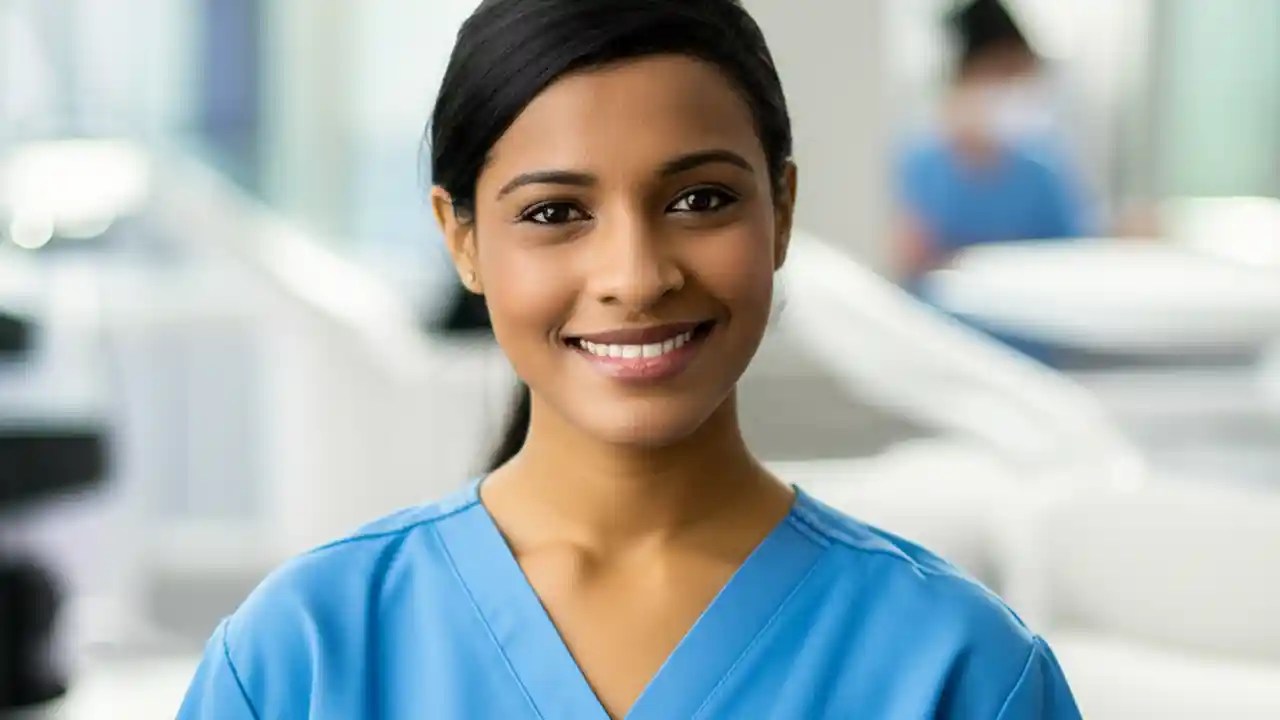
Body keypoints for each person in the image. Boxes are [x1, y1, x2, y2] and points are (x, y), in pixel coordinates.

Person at [178, 1, 1081, 717]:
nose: (637, 277)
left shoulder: (959, 673)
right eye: (554, 213)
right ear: (461, 240)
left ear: (783, 211)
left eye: (699, 198)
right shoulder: (303, 658)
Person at [896, 0, 1094, 285]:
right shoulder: (919, 165)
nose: (1013, 89)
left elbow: (1076, 253)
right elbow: (911, 260)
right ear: (962, 78)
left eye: (1020, 75)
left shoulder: (1041, 171)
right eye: (1000, 73)